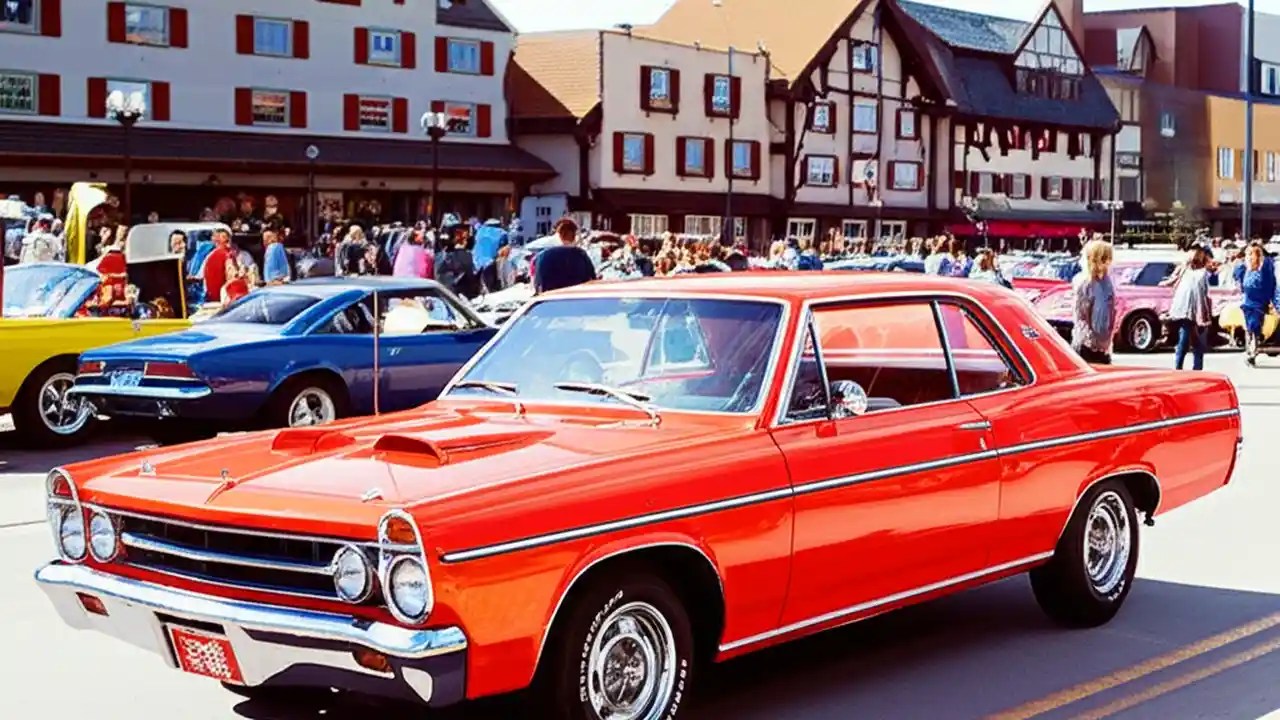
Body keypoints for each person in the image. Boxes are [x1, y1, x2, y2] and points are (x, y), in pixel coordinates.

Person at [1070, 238, 1117, 364]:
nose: (1109, 262)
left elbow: (1111, 310)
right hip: (1086, 346)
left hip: (1104, 344)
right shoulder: (1085, 283)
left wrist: (1108, 339)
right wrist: (1091, 340)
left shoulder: (1107, 283)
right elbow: (1080, 316)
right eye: (1105, 258)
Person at [1168, 244, 1214, 371]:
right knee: (1190, 340)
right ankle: (1186, 367)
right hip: (1190, 309)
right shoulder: (1193, 271)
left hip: (1188, 309)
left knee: (1190, 340)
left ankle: (1184, 367)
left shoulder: (1189, 270)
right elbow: (1203, 292)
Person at [1233, 242, 1277, 366]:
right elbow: (1238, 279)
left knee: (1254, 328)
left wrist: (1272, 302)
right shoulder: (1245, 269)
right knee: (1249, 329)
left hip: (1258, 304)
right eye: (1248, 254)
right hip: (1248, 304)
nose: (1249, 257)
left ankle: (1252, 351)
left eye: (1251, 254)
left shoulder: (1264, 270)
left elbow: (1270, 285)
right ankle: (1251, 350)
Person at [534, 217, 597, 294]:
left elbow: (538, 285)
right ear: (574, 236)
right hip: (577, 300)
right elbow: (592, 280)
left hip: (551, 301)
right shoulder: (581, 255)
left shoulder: (544, 256)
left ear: (559, 235)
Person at [203, 229, 234, 302]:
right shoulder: (224, 255)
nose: (227, 240)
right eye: (223, 237)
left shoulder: (214, 255)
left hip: (214, 296)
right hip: (221, 296)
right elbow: (231, 276)